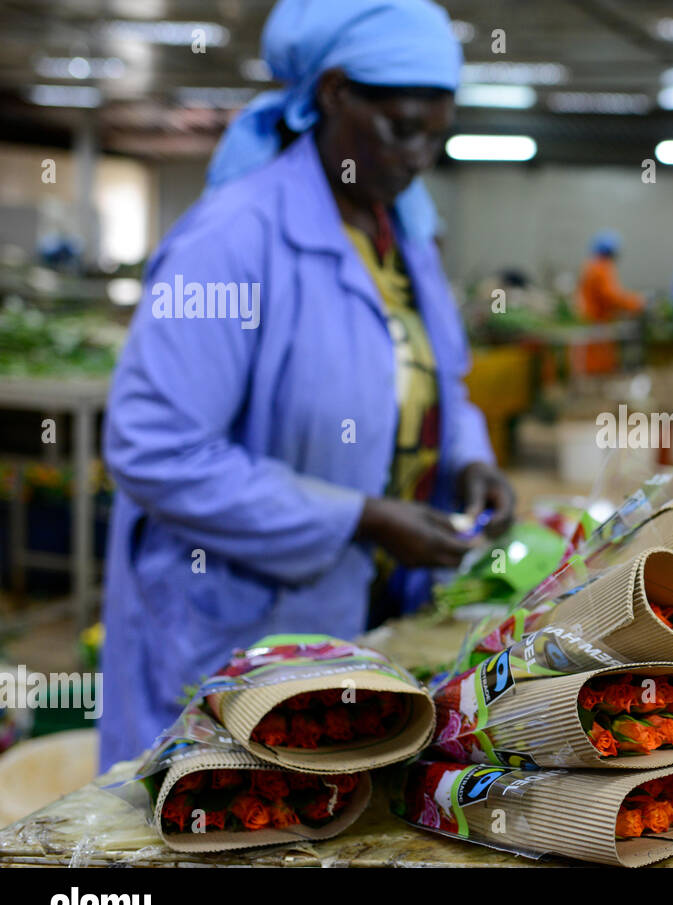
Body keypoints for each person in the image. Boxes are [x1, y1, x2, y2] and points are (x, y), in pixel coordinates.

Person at [98, 0, 515, 770]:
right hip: (236, 627)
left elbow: (436, 373)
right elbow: (154, 448)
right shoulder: (232, 239)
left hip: (366, 605)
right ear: (333, 93)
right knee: (229, 802)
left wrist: (469, 458)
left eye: (437, 134)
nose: (420, 157)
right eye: (401, 128)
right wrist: (359, 516)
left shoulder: (402, 232)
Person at [574, 230, 643, 375]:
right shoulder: (601, 268)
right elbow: (610, 296)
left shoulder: (592, 265)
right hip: (597, 320)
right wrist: (635, 303)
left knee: (593, 355)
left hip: (591, 318)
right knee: (598, 360)